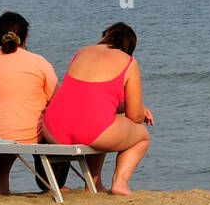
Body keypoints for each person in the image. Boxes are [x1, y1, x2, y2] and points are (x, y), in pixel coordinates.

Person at [41, 22, 153, 196]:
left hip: (53, 129)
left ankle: (94, 184)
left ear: (106, 34)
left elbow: (87, 98)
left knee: (105, 118)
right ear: (129, 48)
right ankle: (120, 183)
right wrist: (140, 110)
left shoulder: (83, 51)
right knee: (142, 136)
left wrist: (130, 108)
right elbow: (134, 116)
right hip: (92, 129)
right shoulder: (129, 62)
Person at [0, 11, 58, 195]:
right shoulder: (38, 62)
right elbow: (57, 100)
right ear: (25, 37)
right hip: (23, 132)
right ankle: (5, 183)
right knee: (18, 122)